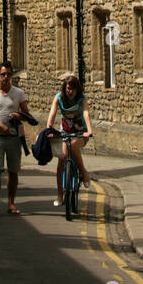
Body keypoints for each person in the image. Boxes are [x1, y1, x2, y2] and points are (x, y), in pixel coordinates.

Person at [0, 62, 34, 216]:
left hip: (14, 138)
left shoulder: (19, 94)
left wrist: (19, 115)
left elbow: (28, 116)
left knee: (13, 172)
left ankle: (11, 204)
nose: (6, 77)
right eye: (3, 74)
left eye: (9, 74)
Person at [46, 74, 92, 207]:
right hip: (65, 132)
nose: (70, 91)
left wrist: (89, 131)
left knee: (74, 146)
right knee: (62, 160)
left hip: (80, 132)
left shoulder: (81, 99)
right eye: (67, 89)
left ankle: (83, 172)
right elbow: (52, 113)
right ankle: (60, 195)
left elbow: (85, 114)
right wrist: (49, 128)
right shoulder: (59, 98)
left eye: (72, 89)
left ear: (77, 89)